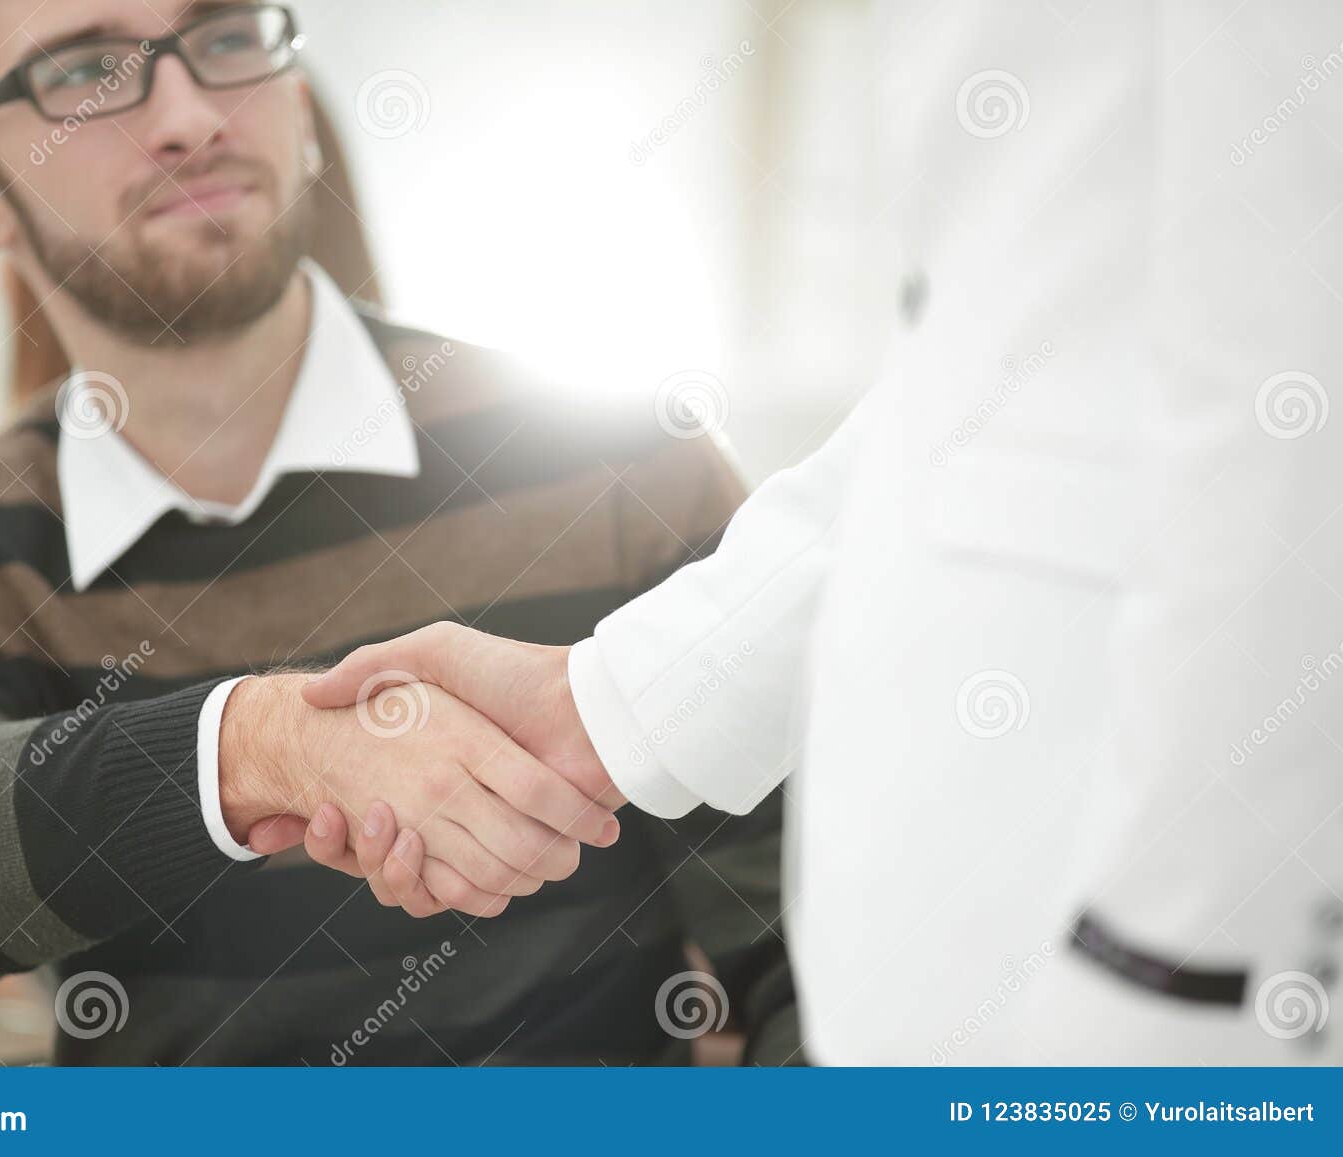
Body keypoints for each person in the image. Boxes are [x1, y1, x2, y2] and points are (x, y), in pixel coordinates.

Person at [300, 0, 1343, 1064]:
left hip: (1147, 930)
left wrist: (1185, 971)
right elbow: (973, 369)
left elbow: (1299, 368)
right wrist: (604, 701)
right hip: (957, 940)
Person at [0, 0, 800, 1065]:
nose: (191, 115)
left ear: (301, 102)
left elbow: (808, 933)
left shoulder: (622, 461)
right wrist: (262, 744)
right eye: (88, 72)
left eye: (228, 38)